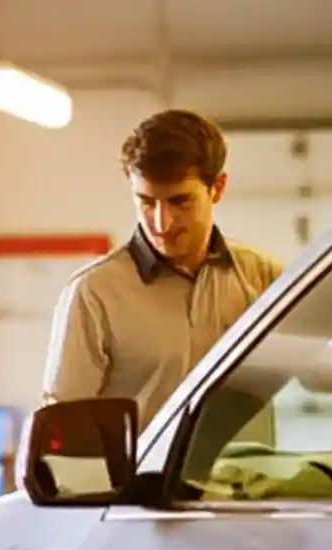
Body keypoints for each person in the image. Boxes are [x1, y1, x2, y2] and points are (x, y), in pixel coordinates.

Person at [42, 109, 286, 430]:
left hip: (246, 479)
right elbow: (64, 425)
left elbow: (318, 376)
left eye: (180, 201)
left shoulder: (265, 279)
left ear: (218, 188)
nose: (162, 222)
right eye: (146, 201)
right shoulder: (94, 294)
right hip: (140, 481)